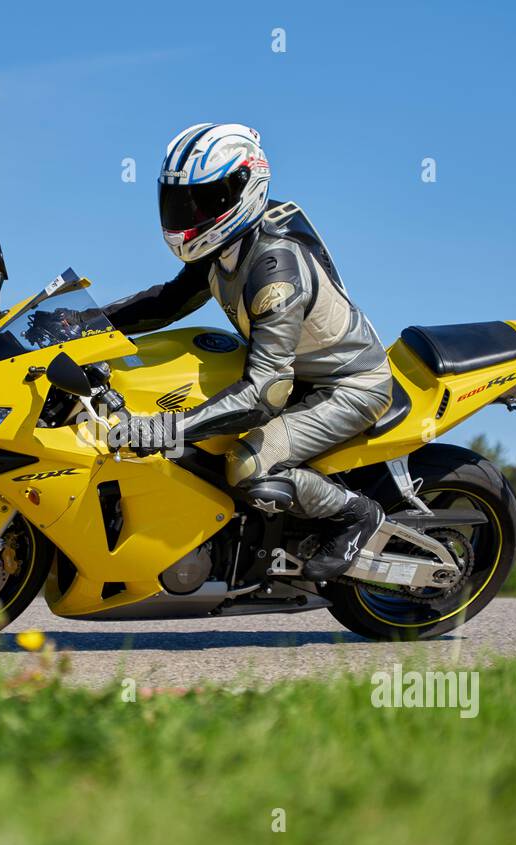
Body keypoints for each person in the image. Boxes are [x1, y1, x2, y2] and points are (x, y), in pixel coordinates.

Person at [103, 123, 392, 580]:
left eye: (204, 199)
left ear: (243, 189)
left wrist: (164, 429)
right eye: (181, 201)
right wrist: (81, 322)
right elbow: (168, 302)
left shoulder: (274, 269)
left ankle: (356, 515)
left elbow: (264, 394)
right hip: (299, 376)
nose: (189, 213)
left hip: (347, 386)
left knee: (247, 466)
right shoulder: (229, 245)